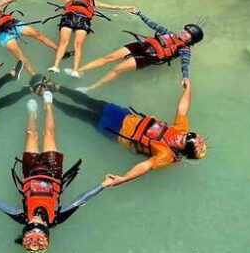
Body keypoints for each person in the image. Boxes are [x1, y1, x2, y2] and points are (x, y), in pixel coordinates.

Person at [0, 92, 112, 253]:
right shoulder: (56, 218)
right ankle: (48, 105)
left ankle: (32, 113)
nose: (35, 219)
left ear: (26, 227)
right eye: (39, 225)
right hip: (53, 172)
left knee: (31, 135)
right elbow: (80, 200)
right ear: (45, 229)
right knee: (49, 134)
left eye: (31, 224)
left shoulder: (21, 216)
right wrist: (103, 185)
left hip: (31, 172)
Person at [40, 78, 207, 185]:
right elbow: (183, 109)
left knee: (82, 114)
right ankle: (56, 87)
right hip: (125, 116)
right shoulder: (180, 129)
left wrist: (124, 179)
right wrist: (188, 88)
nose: (184, 135)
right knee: (90, 101)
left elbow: (145, 166)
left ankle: (51, 100)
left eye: (185, 139)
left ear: (182, 148)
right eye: (190, 134)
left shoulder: (166, 155)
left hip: (117, 131)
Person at [26, 0, 136, 78]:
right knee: (63, 42)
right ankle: (55, 66)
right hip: (69, 18)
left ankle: (75, 70)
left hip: (84, 21)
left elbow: (114, 7)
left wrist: (128, 7)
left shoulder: (94, 2)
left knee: (78, 45)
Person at [76, 9, 204, 92]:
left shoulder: (185, 50)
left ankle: (90, 88)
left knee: (117, 69)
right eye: (185, 30)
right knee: (108, 57)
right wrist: (140, 14)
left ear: (191, 40)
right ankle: (77, 71)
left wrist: (185, 77)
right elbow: (153, 24)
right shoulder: (169, 33)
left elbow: (185, 64)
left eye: (188, 34)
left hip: (150, 57)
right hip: (141, 46)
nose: (184, 33)